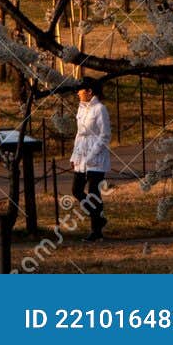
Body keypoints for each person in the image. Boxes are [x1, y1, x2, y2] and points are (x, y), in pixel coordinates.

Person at [70, 78, 111, 240]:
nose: (78, 93)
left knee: (94, 192)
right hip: (81, 154)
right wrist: (75, 155)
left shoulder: (100, 109)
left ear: (89, 91)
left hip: (97, 157)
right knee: (77, 190)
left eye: (80, 90)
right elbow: (79, 134)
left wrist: (93, 154)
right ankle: (98, 218)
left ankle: (96, 230)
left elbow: (105, 135)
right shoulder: (81, 109)